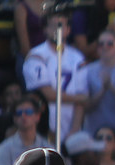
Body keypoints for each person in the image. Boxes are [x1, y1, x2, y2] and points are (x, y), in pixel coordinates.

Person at [22, 9, 87, 142]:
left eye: (61, 25)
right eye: (53, 25)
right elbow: (47, 94)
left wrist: (74, 130)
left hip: (70, 122)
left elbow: (83, 99)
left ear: (68, 30)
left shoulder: (77, 58)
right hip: (45, 122)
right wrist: (78, 98)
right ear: (45, 29)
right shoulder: (36, 56)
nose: (57, 29)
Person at [83, 30, 115, 147]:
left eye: (110, 44)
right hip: (93, 134)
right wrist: (102, 91)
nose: (105, 47)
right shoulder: (87, 71)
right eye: (101, 44)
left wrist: (111, 87)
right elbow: (84, 107)